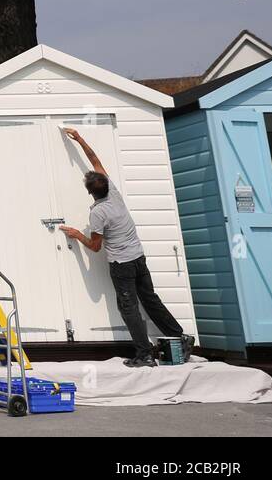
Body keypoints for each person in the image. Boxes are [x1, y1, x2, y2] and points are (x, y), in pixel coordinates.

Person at [56, 127, 194, 367]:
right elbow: (95, 159)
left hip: (122, 265)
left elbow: (96, 246)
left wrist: (78, 234)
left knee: (129, 307)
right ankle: (179, 336)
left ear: (90, 192)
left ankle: (144, 354)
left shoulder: (99, 213)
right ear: (106, 185)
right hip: (139, 258)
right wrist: (80, 139)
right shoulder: (114, 193)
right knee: (150, 299)